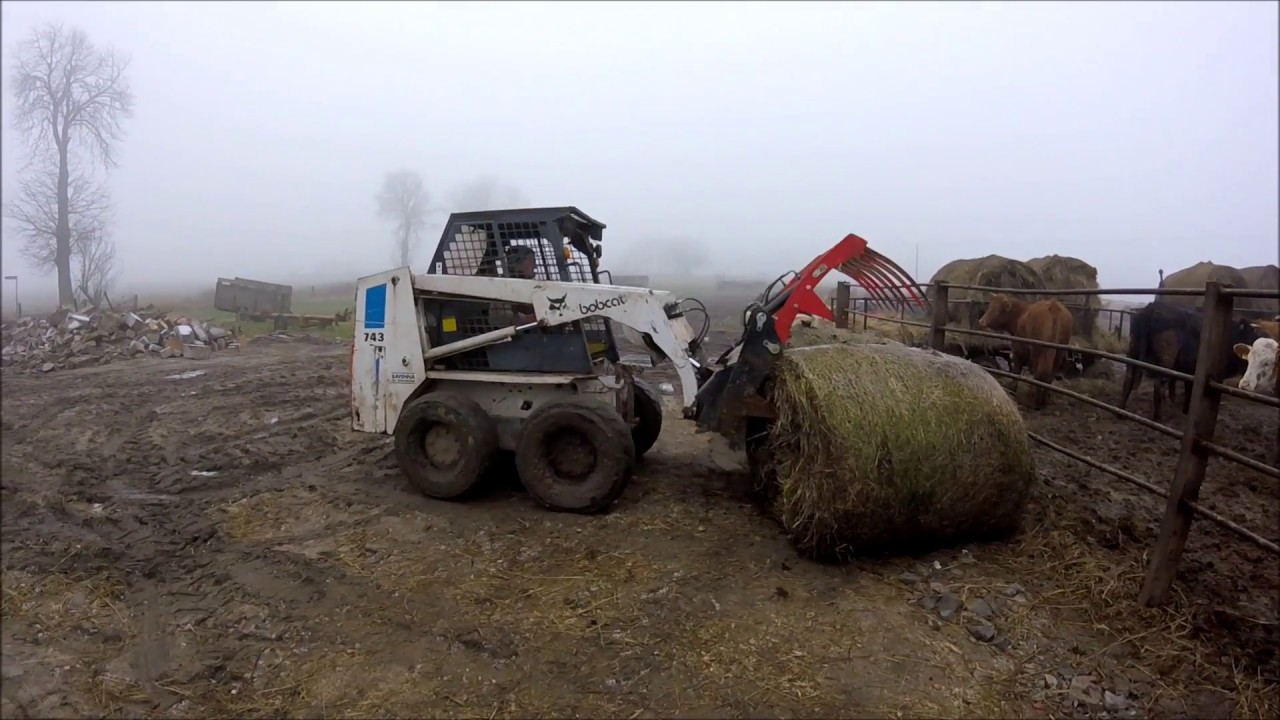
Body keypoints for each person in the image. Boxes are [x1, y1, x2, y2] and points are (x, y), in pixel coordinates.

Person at [487, 245, 538, 327]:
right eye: (532, 261)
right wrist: (526, 319)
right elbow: (497, 316)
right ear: (517, 262)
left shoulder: (529, 284)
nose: (535, 266)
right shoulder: (503, 284)